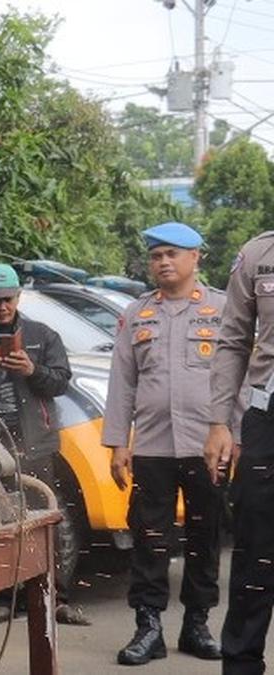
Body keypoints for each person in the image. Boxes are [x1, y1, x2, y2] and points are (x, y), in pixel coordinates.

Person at [102, 222, 225, 665]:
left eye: (172, 254)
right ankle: (148, 627)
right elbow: (122, 381)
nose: (163, 262)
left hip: (207, 446)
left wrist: (234, 433)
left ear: (196, 257)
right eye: (156, 256)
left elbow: (239, 378)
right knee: (150, 537)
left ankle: (197, 625)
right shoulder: (137, 313)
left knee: (204, 537)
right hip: (152, 447)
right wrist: (118, 442)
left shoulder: (222, 309)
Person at [0, 263, 85, 626]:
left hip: (35, 443)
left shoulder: (43, 335)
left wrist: (32, 370)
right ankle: (2, 599)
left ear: (18, 297)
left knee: (45, 520)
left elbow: (61, 383)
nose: (2, 307)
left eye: (8, 299)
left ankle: (56, 598)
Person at [204, 229, 274, 674]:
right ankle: (242, 663)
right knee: (254, 551)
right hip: (267, 422)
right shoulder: (257, 254)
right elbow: (232, 340)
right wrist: (218, 423)